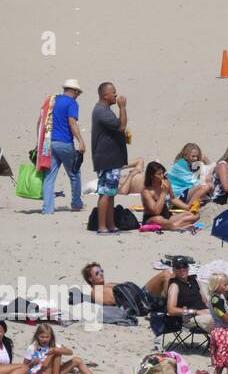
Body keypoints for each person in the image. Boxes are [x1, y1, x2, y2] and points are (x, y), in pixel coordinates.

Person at [166, 258, 228, 360]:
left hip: (207, 312)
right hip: (191, 318)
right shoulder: (174, 286)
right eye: (178, 267)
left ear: (188, 267)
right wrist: (195, 311)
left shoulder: (194, 281)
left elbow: (206, 301)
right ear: (174, 270)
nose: (182, 270)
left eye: (184, 266)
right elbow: (171, 310)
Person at [40, 79, 86, 216]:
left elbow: (40, 120)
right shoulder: (72, 103)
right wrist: (81, 141)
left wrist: (40, 143)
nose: (78, 95)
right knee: (74, 174)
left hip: (49, 143)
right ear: (75, 91)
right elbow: (72, 123)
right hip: (65, 143)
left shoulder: (52, 100)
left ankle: (47, 209)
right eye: (78, 93)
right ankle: (76, 203)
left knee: (49, 177)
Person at [90, 81, 129, 235]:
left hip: (111, 157)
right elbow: (121, 126)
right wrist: (123, 108)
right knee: (106, 192)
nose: (116, 95)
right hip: (108, 158)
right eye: (113, 92)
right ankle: (102, 226)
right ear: (105, 95)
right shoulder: (102, 111)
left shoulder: (104, 110)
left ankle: (111, 224)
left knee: (111, 192)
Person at [24, 323, 111, 374]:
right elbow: (23, 367)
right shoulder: (32, 348)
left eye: (47, 337)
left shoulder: (54, 346)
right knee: (56, 353)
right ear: (37, 336)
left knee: (76, 359)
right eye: (42, 337)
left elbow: (70, 352)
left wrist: (55, 349)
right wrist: (32, 363)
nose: (44, 339)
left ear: (51, 337)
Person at [82, 261, 173, 309]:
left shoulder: (108, 285)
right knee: (165, 275)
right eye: (97, 273)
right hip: (139, 302)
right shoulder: (96, 291)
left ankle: (171, 303)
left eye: (101, 271)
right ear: (90, 278)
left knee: (170, 275)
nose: (101, 274)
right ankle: (170, 306)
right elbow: (113, 304)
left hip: (140, 295)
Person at [141, 161, 200, 230]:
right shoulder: (147, 192)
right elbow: (156, 212)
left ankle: (174, 226)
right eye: (159, 174)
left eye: (163, 173)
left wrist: (187, 207)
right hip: (152, 219)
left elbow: (173, 198)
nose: (162, 176)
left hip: (167, 216)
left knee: (195, 215)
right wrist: (163, 193)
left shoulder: (166, 182)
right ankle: (178, 227)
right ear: (151, 176)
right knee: (159, 219)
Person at [167, 143, 213, 208]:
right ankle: (189, 207)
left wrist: (207, 161)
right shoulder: (181, 164)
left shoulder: (191, 164)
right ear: (186, 155)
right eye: (193, 156)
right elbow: (191, 181)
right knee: (205, 186)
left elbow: (209, 172)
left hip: (186, 190)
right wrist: (205, 180)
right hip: (177, 195)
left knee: (207, 184)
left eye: (197, 156)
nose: (195, 158)